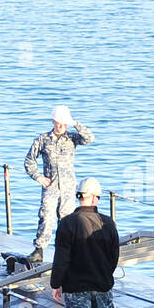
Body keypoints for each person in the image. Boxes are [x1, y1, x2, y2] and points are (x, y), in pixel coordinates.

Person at [50, 177, 121, 308]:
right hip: (101, 285)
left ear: (78, 196)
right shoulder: (108, 223)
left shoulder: (67, 223)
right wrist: (103, 274)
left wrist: (56, 284)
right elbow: (114, 256)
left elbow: (61, 258)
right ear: (96, 197)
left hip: (75, 288)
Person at [24, 105, 93, 264]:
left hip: (68, 187)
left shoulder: (72, 138)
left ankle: (66, 252)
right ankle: (39, 250)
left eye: (64, 123)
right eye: (59, 122)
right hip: (51, 186)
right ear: (53, 121)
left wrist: (75, 123)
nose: (61, 126)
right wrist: (38, 177)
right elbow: (29, 161)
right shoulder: (43, 139)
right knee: (46, 218)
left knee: (67, 221)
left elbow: (89, 138)